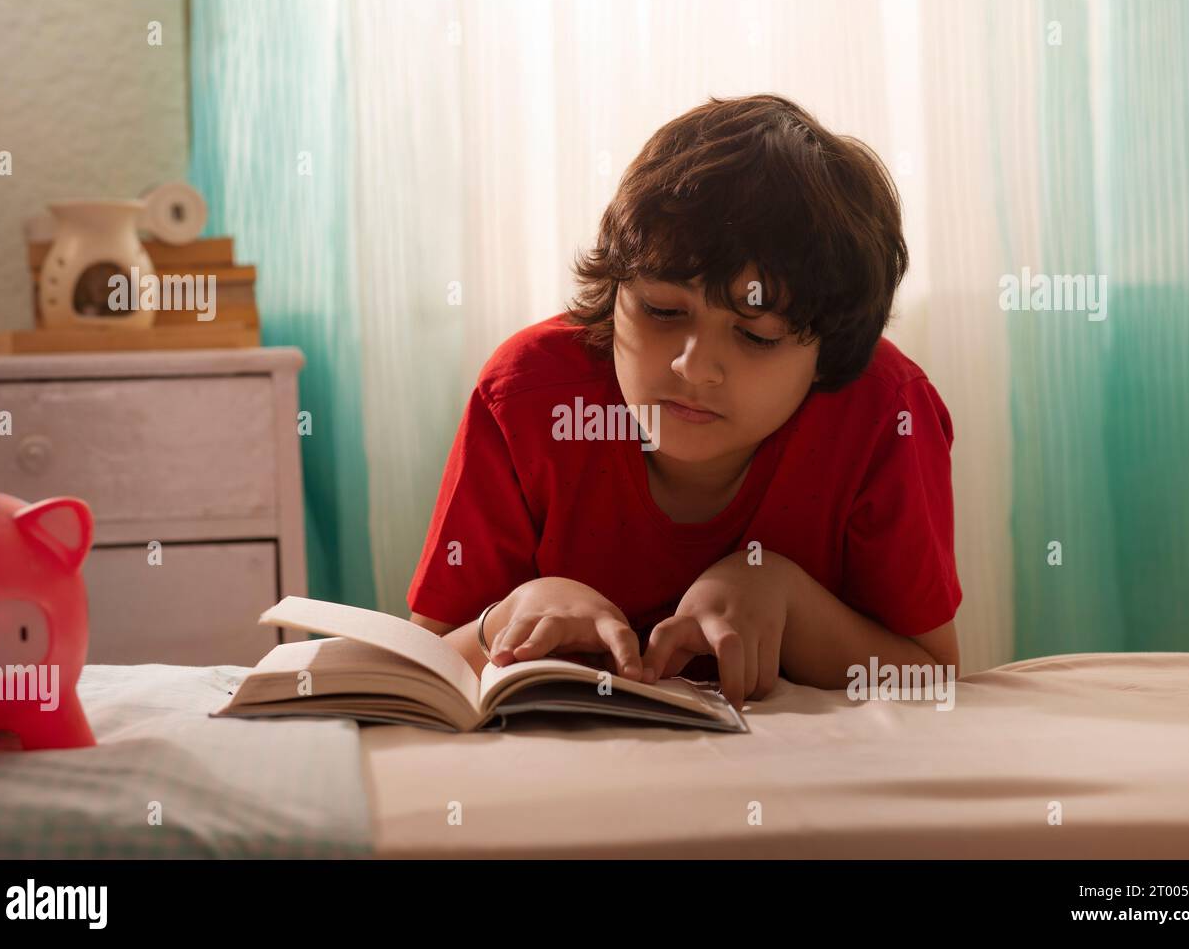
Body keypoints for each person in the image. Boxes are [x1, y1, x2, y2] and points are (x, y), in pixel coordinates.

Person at [407, 93, 962, 710]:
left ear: (829, 353)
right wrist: (506, 619)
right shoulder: (525, 398)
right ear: (616, 286)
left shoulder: (887, 414)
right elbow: (419, 669)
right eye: (662, 310)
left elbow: (933, 674)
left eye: (757, 335)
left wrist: (791, 603)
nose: (692, 366)